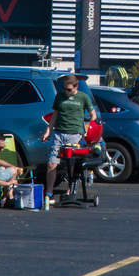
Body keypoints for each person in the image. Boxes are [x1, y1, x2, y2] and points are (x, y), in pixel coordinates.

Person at [43, 74, 99, 202]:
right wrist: (48, 130)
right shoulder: (60, 96)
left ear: (76, 87)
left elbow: (93, 115)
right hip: (59, 133)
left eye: (69, 90)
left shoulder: (83, 97)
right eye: (65, 89)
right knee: (51, 163)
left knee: (70, 164)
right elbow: (55, 115)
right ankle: (49, 193)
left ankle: (70, 190)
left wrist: (88, 127)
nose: (66, 92)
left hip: (75, 134)